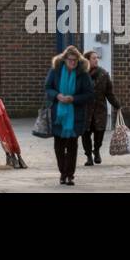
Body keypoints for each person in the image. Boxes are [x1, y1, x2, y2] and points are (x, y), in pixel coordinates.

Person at [44, 45, 93, 186]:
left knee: (72, 146)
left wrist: (74, 99)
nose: (73, 62)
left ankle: (70, 175)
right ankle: (62, 173)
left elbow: (89, 94)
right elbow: (48, 88)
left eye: (75, 60)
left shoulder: (83, 74)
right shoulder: (55, 71)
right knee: (59, 146)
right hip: (58, 114)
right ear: (64, 59)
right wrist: (57, 95)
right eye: (70, 60)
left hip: (75, 115)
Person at [82, 50, 120, 166]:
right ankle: (89, 156)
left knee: (99, 132)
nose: (96, 60)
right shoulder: (81, 75)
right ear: (87, 60)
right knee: (86, 134)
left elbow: (109, 93)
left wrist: (117, 105)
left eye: (96, 58)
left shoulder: (104, 74)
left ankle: (96, 150)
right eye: (93, 58)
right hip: (86, 110)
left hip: (99, 110)